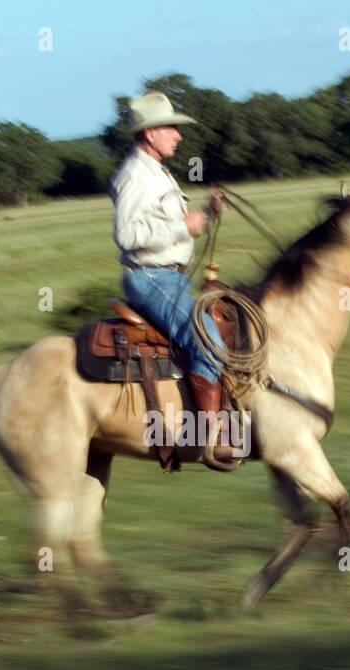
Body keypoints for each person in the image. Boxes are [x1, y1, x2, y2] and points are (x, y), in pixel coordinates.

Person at [109, 91, 236, 471]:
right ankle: (211, 437)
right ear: (149, 133)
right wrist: (183, 224)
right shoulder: (134, 175)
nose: (178, 136)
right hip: (151, 278)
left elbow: (167, 228)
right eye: (170, 128)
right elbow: (128, 235)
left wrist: (206, 215)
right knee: (208, 341)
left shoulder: (156, 171)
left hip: (169, 278)